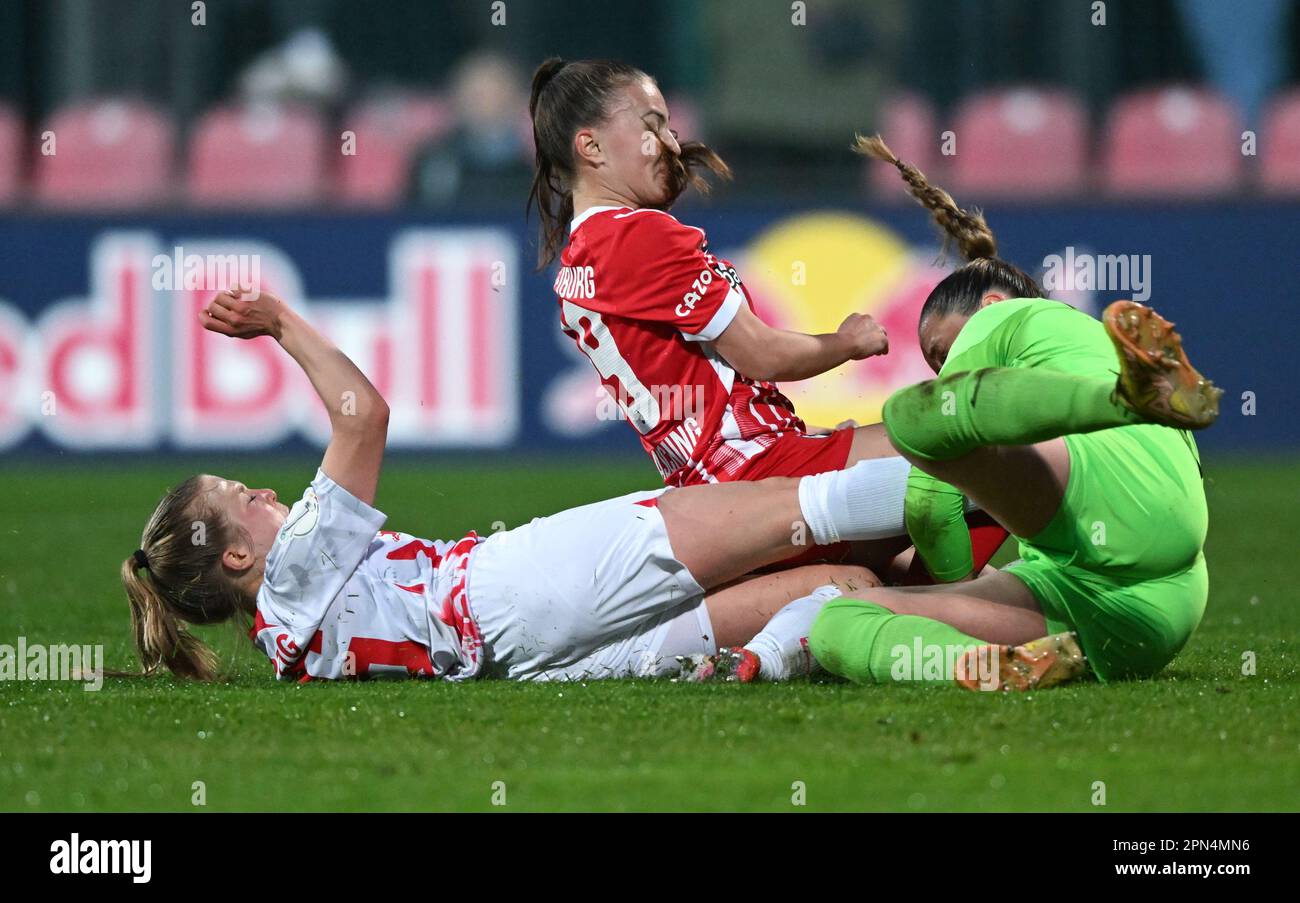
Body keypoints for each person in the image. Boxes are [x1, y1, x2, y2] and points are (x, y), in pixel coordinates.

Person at [121, 288, 967, 685]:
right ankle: (1013, 479)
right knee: (791, 505)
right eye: (247, 498)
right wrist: (281, 323)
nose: (269, 494)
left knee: (843, 583)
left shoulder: (282, 640)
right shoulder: (295, 570)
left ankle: (761, 663)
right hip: (509, 591)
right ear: (235, 553)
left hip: (521, 664)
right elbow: (362, 416)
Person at [526, 57, 1007, 575]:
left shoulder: (578, 259)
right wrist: (845, 342)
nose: (669, 142)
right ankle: (945, 608)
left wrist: (816, 438)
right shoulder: (640, 235)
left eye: (668, 125)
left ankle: (928, 606)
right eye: (651, 126)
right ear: (591, 146)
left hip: (717, 497)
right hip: (762, 473)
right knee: (998, 447)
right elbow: (760, 355)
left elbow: (712, 388)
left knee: (904, 564)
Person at [794, 136, 1221, 691]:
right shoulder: (1085, 352)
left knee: (910, 418)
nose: (944, 374)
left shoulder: (1011, 317)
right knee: (838, 624)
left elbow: (929, 504)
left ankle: (1119, 400)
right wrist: (964, 591)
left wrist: (952, 581)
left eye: (943, 354)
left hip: (1116, 525)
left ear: (991, 304)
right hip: (1153, 609)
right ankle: (981, 666)